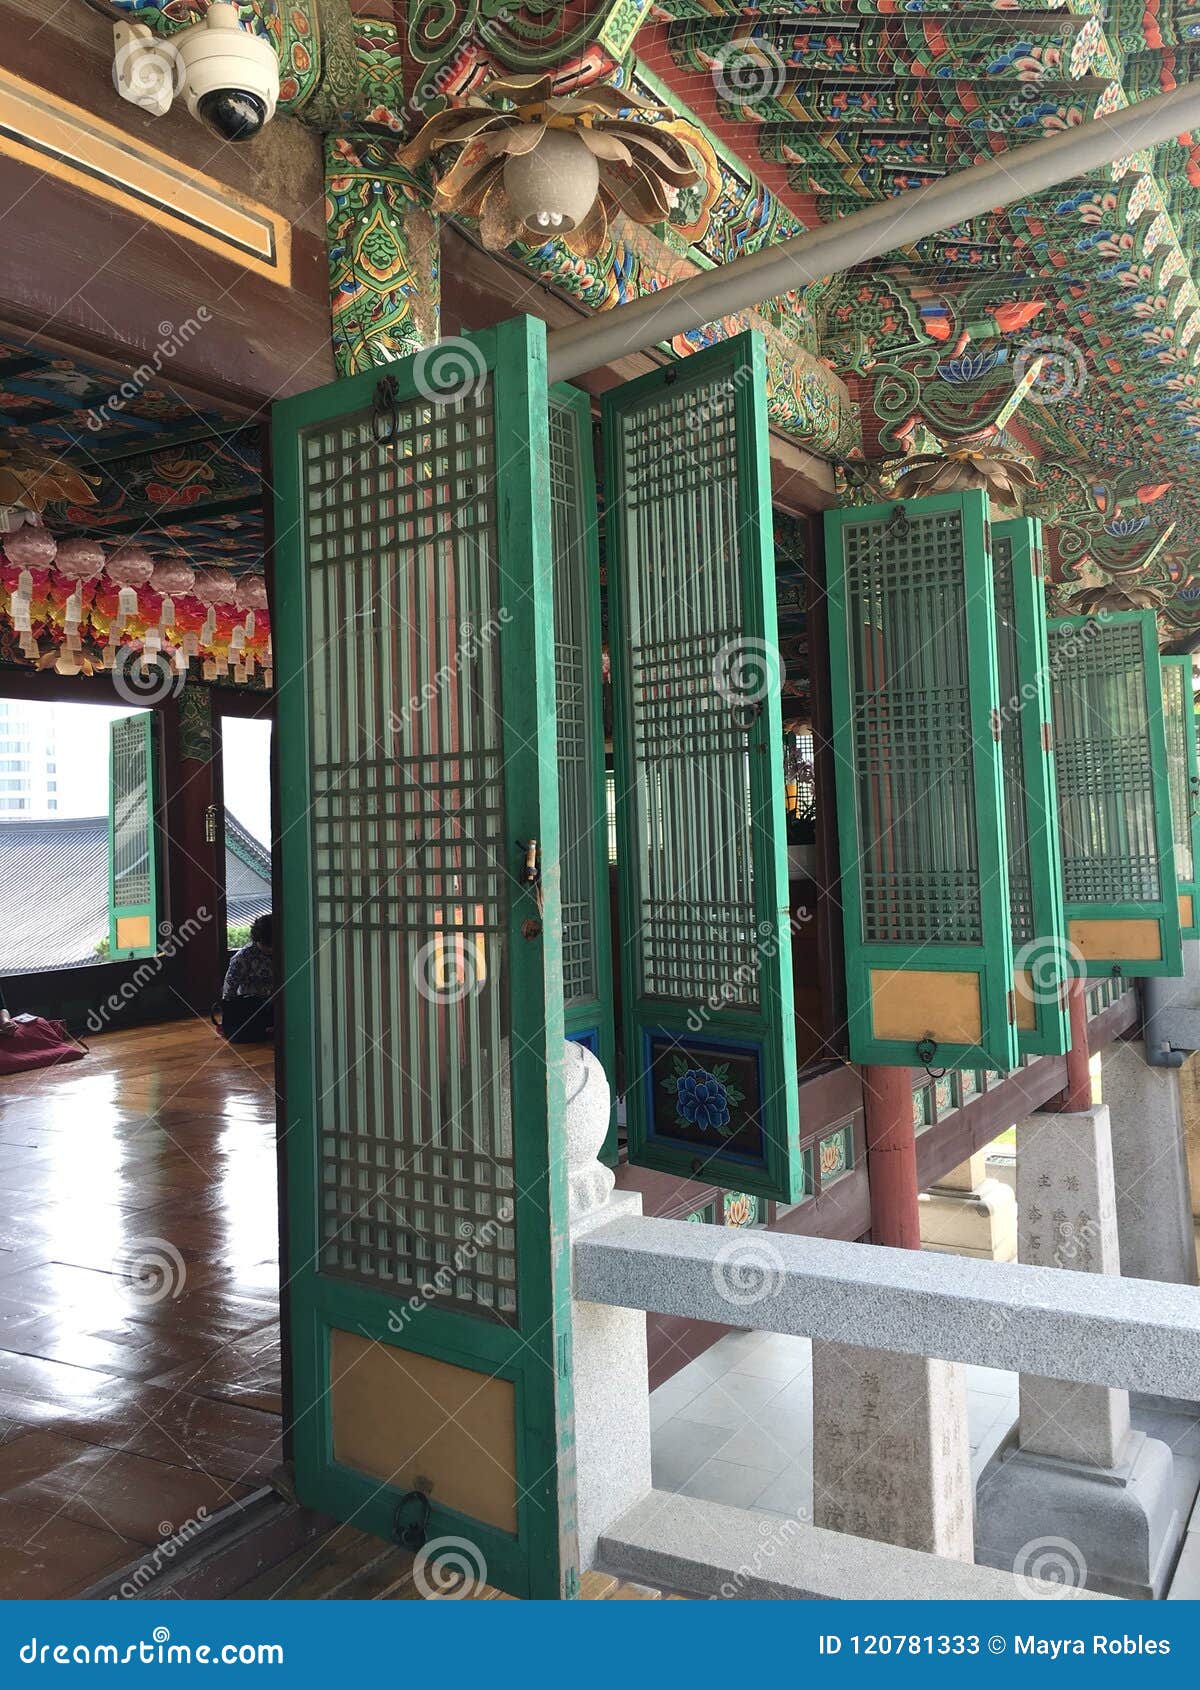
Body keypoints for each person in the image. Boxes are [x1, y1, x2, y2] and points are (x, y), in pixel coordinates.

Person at [220, 912, 275, 1042]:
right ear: (258, 939)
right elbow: (229, 989)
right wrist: (228, 1017)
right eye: (268, 946)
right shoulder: (243, 957)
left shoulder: (284, 950)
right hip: (252, 1007)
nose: (272, 949)